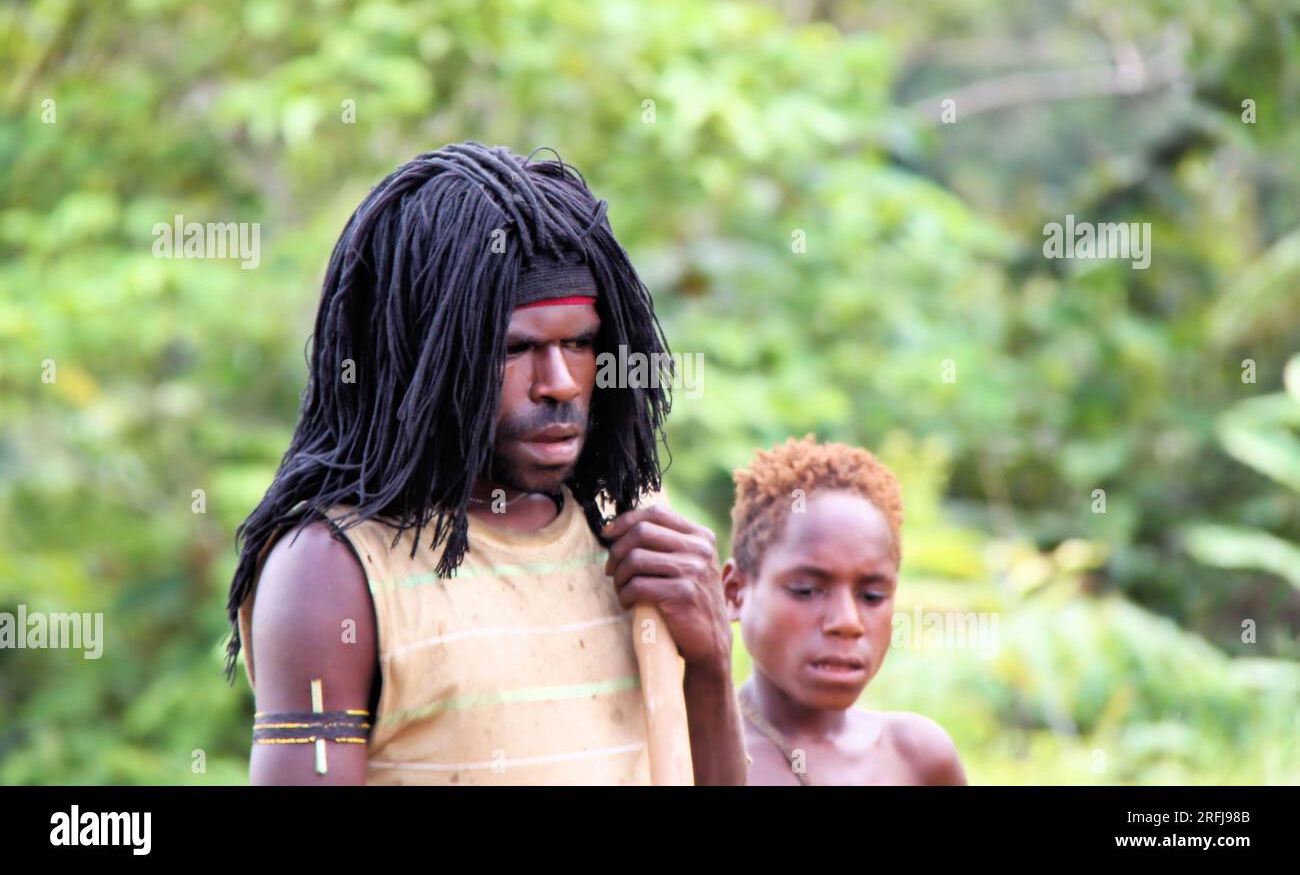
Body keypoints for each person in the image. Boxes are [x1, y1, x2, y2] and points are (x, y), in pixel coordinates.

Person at [224, 141, 744, 785]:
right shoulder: (331, 570)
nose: (558, 383)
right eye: (514, 349)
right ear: (424, 359)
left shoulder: (638, 537)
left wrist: (714, 662)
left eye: (579, 344)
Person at [722, 435, 966, 785]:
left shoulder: (917, 757)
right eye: (806, 590)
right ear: (735, 592)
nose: (848, 622)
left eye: (871, 596)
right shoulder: (682, 749)